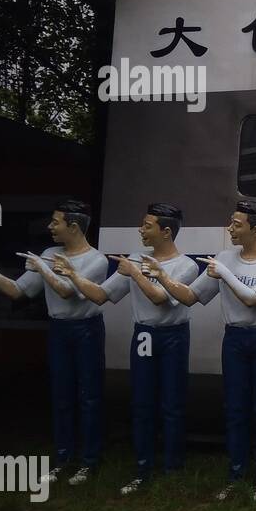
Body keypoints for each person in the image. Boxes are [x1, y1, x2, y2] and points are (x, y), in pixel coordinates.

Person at [0, 199, 108, 484]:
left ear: (73, 226)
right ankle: (63, 457)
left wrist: (43, 268)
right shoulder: (50, 253)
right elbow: (18, 291)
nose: (50, 227)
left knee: (89, 397)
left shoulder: (96, 260)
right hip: (59, 329)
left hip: (86, 329)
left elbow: (67, 291)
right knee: (62, 395)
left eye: (55, 222)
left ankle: (89, 460)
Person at [58, 204, 198, 495]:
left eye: (147, 226)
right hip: (144, 334)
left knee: (172, 405)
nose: (141, 230)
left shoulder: (186, 265)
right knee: (143, 404)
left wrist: (135, 272)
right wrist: (73, 275)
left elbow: (160, 298)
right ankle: (142, 469)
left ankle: (172, 469)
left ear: (166, 231)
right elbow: (101, 296)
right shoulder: (134, 261)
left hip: (173, 335)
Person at [160, 199, 256, 502]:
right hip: (234, 339)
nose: (229, 229)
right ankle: (236, 474)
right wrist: (161, 277)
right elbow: (192, 296)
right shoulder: (224, 259)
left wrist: (224, 273)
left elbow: (252, 299)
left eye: (236, 224)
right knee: (234, 410)